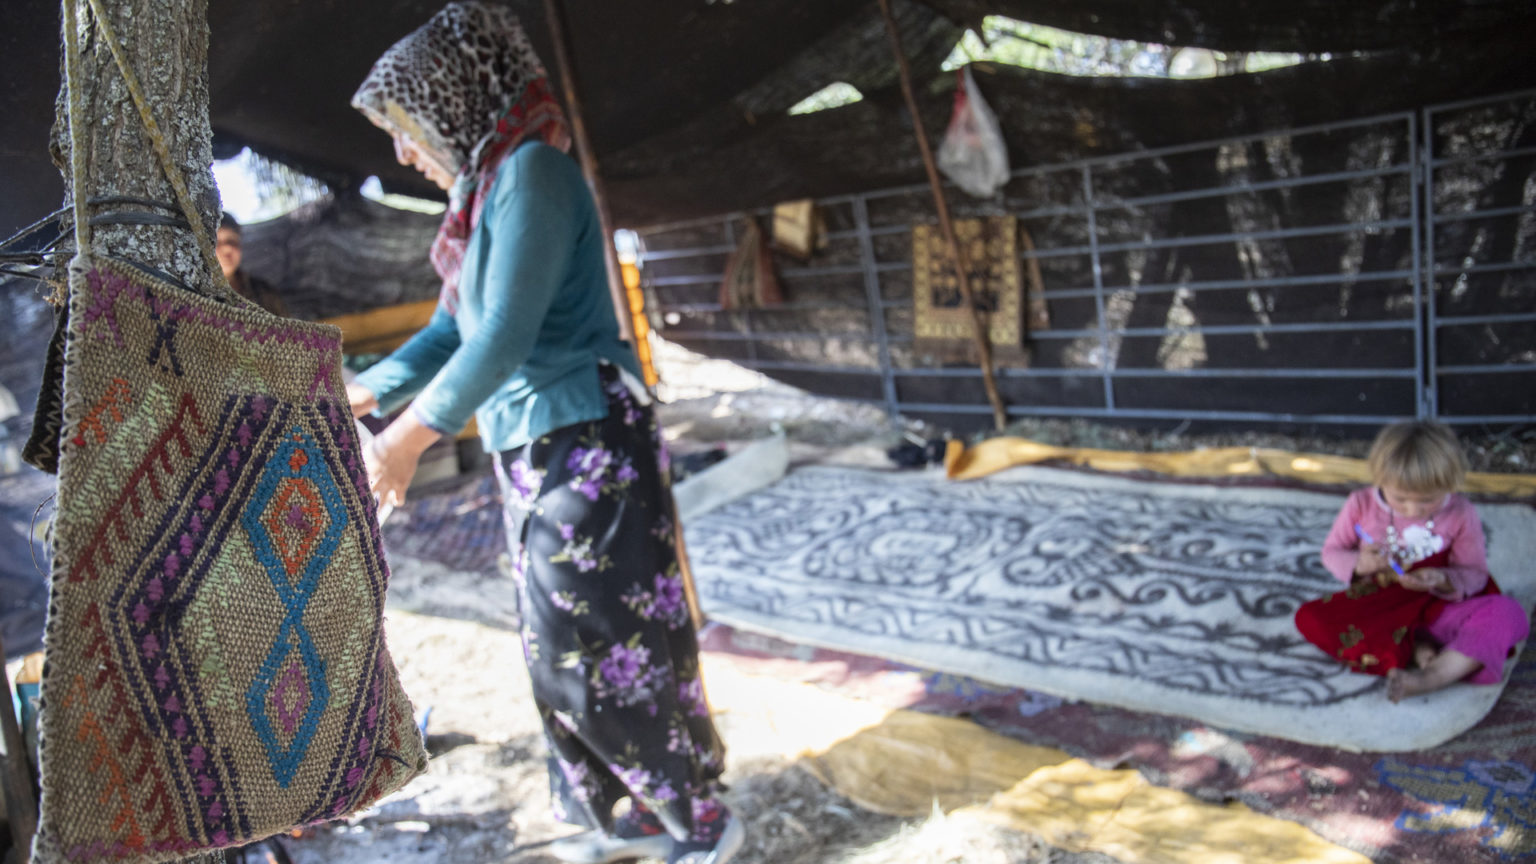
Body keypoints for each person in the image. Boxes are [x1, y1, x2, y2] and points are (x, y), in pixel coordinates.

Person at [346, 5, 741, 863]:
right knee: (558, 636)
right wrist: (358, 396)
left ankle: (702, 822)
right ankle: (623, 812)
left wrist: (405, 440)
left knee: (598, 636)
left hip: (587, 436)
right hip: (537, 440)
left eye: (410, 131)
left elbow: (502, 339)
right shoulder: (487, 196)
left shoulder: (533, 176)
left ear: (456, 104)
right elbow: (454, 329)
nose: (405, 154)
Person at [1294, 421, 1529, 703]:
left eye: (1427, 500)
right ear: (1380, 479)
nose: (1412, 510)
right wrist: (1361, 564)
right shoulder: (1360, 504)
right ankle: (1421, 649)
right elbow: (1332, 552)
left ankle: (1432, 675)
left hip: (1439, 610)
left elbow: (1475, 573)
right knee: (1309, 618)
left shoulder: (1460, 513)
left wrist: (1442, 578)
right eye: (1400, 498)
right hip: (1379, 609)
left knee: (1509, 613)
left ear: (1449, 485)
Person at [216, 212, 289, 315]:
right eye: (216, 241)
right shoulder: (193, 294)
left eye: (232, 240)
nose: (227, 248)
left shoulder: (264, 292)